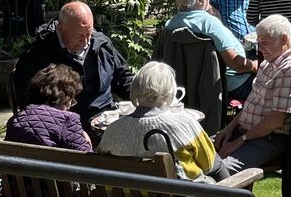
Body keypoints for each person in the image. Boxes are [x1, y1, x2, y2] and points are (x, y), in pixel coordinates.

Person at [98, 61, 230, 182]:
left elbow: (102, 164)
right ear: (170, 92)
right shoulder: (185, 124)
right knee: (217, 164)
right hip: (184, 192)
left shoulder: (112, 130)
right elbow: (208, 164)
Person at [215, 14, 291, 174]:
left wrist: (238, 142)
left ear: (283, 39)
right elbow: (252, 104)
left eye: (265, 43)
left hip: (269, 138)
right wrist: (228, 129)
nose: (260, 49)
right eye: (258, 43)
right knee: (194, 153)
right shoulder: (270, 61)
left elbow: (276, 120)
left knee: (219, 171)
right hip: (247, 132)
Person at [14, 1, 134, 130]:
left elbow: (123, 79)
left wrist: (145, 95)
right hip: (64, 125)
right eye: (79, 36)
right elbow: (29, 105)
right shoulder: (38, 55)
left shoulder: (101, 45)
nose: (86, 41)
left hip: (106, 120)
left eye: (89, 33)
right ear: (60, 29)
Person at [166, 0, 258, 103]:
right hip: (230, 84)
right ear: (199, 0)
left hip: (191, 84)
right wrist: (254, 66)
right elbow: (235, 63)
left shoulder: (170, 25)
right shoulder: (208, 24)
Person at [5, 64, 93, 152]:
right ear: (65, 96)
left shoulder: (15, 120)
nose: (70, 105)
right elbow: (87, 161)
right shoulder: (68, 120)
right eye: (71, 99)